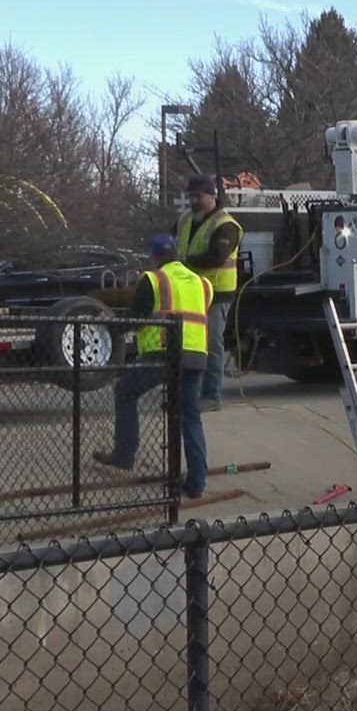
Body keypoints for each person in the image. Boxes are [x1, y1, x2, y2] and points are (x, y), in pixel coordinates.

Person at [91, 233, 210, 498]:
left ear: (154, 256)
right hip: (196, 355)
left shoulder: (154, 280)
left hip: (163, 353)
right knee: (191, 417)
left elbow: (136, 318)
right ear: (176, 253)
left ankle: (124, 454)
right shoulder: (202, 283)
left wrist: (108, 325)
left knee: (125, 391)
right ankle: (196, 483)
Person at [174, 175, 243, 411]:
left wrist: (182, 263)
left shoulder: (226, 225)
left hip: (216, 294)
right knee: (188, 345)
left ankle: (212, 396)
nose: (194, 201)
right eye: (191, 196)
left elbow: (216, 257)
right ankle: (188, 394)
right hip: (188, 293)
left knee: (212, 346)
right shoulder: (184, 220)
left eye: (199, 196)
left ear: (212, 197)